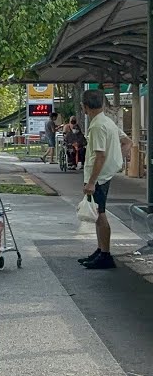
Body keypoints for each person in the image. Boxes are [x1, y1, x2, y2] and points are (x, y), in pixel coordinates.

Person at [78, 90, 124, 269]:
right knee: (98, 213)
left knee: (100, 214)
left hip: (98, 176)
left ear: (85, 107)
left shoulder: (97, 126)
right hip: (105, 174)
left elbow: (100, 156)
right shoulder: (107, 122)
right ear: (103, 105)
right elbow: (126, 141)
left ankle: (105, 254)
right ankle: (101, 249)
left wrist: (91, 182)